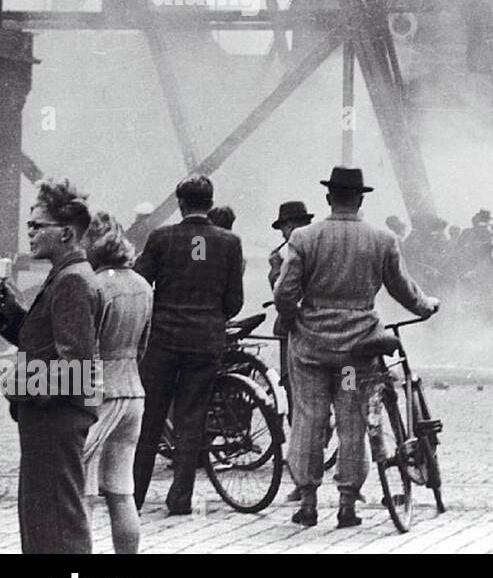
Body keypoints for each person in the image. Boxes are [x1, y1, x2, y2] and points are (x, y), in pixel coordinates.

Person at [274, 166, 439, 528]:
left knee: (309, 420)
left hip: (312, 351)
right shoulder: (381, 239)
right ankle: (347, 505)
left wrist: (296, 318)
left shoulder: (304, 237)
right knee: (352, 424)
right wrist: (426, 306)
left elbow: (284, 293)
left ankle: (308, 502)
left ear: (329, 198)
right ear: (361, 199)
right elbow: (403, 289)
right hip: (355, 356)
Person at [133, 174, 245, 515]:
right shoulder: (229, 242)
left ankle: (134, 496)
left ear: (180, 203)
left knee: (150, 419)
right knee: (192, 418)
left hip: (164, 341)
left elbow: (139, 283)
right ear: (210, 204)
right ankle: (180, 498)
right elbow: (234, 302)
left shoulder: (161, 238)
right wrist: (210, 315)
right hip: (205, 341)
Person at [0, 178, 101, 553]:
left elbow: (75, 369)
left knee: (58, 523)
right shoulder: (66, 275)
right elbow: (39, 339)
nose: (29, 231)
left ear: (66, 233)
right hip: (49, 421)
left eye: (37, 225)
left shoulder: (72, 281)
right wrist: (6, 305)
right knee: (44, 520)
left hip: (55, 421)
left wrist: (16, 381)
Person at [81, 210, 152, 554]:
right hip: (134, 391)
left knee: (84, 487)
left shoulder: (94, 285)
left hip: (100, 394)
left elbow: (86, 347)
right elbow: (143, 347)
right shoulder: (142, 285)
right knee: (122, 489)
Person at [268, 200, 316, 503]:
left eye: (288, 225)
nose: (287, 231)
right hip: (315, 332)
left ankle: (304, 480)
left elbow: (282, 294)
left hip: (295, 332)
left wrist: (275, 272)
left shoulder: (296, 250)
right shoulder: (315, 243)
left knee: (299, 403)